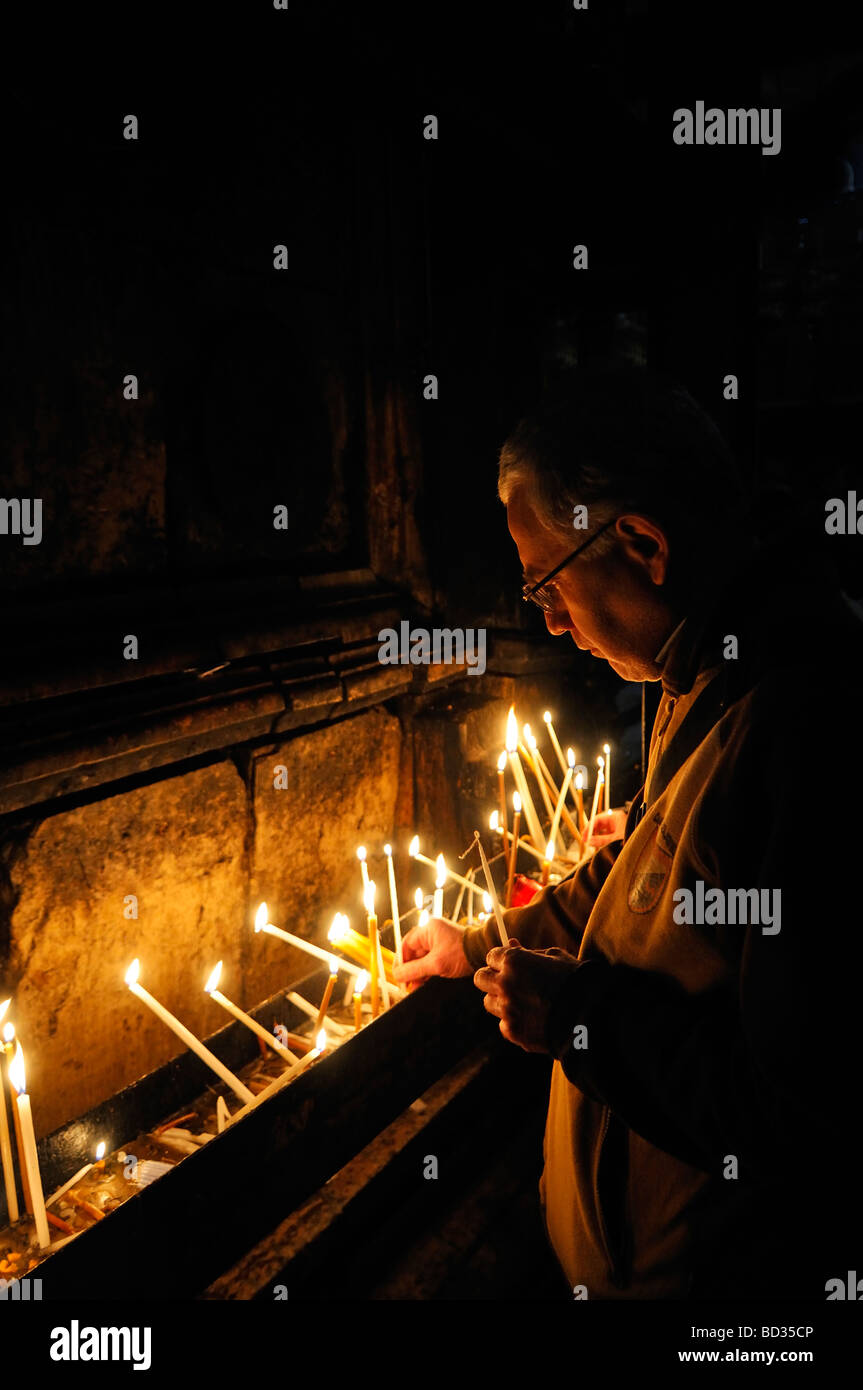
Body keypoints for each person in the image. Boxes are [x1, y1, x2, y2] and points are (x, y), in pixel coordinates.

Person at [393, 366, 863, 1299]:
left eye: (547, 587)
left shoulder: (807, 724)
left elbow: (806, 1113)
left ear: (642, 543)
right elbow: (654, 870)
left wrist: (577, 1020)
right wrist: (488, 942)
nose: (554, 625)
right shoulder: (702, 668)